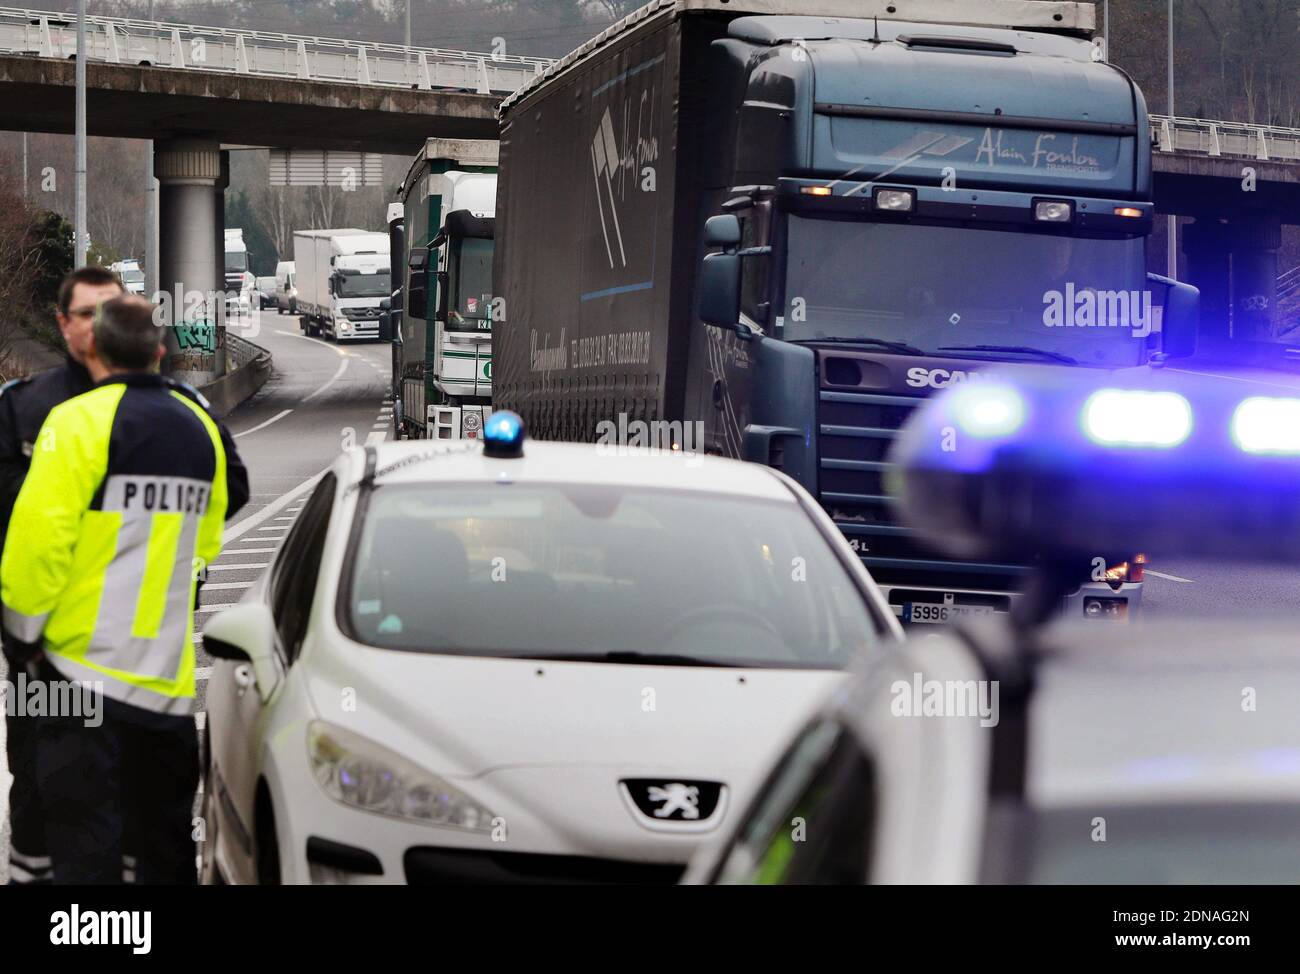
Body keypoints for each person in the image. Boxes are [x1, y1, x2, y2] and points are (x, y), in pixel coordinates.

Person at [0, 294, 248, 884]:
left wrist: (24, 644)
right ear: (161, 353)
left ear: (99, 350)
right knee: (162, 856)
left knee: (87, 858)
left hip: (81, 680)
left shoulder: (75, 423)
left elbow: (35, 552)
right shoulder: (199, 429)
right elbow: (205, 542)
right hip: (164, 692)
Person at [0, 266, 123, 885]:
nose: (99, 325)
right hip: (39, 652)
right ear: (62, 324)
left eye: (112, 310)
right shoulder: (24, 408)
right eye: (85, 312)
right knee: (37, 784)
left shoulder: (162, 410)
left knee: (127, 797)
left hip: (130, 647)